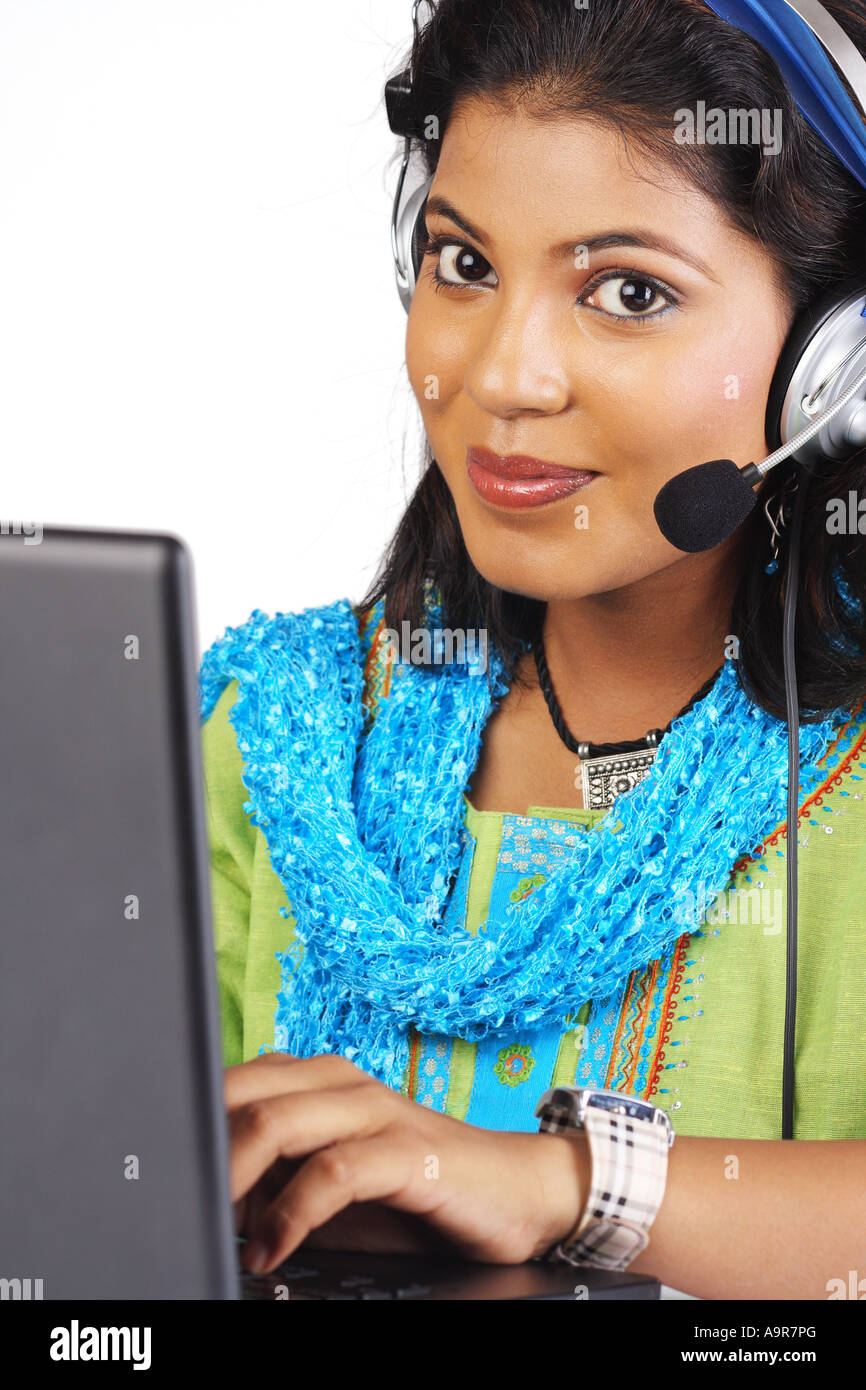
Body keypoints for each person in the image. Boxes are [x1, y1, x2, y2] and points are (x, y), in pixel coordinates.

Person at [199, 0, 866, 1299]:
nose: (505, 374)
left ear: (828, 367)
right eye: (460, 264)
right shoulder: (263, 734)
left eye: (626, 292)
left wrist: (555, 1183)